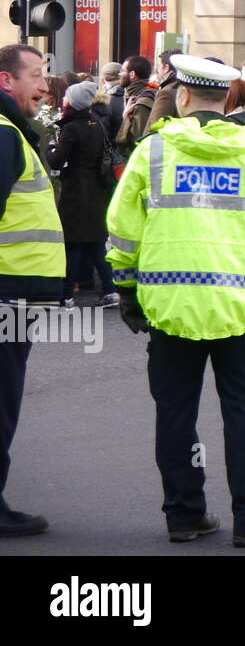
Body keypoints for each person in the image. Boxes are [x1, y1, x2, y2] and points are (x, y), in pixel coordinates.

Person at [106, 54, 245, 547]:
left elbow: (122, 229)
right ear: (227, 100)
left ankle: (185, 516)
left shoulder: (152, 152)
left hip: (171, 305)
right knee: (244, 410)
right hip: (244, 306)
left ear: (184, 97)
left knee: (175, 412)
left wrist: (128, 288)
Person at [0, 44, 64, 536]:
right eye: (38, 75)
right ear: (6, 81)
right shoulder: (4, 138)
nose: (45, 85)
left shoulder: (13, 134)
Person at [48, 79, 117, 307]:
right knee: (96, 244)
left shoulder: (71, 127)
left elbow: (58, 161)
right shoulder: (96, 122)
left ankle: (66, 295)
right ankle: (109, 290)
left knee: (73, 244)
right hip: (96, 189)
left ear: (74, 102)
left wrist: (51, 148)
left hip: (76, 191)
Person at [116, 54, 157, 155]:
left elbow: (136, 140)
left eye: (122, 71)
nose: (119, 74)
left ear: (132, 74)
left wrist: (125, 117)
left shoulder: (142, 102)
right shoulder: (137, 94)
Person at [143, 47, 184, 130]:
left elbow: (155, 126)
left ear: (166, 68)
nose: (158, 69)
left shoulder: (166, 92)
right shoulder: (183, 87)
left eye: (159, 66)